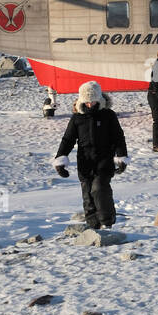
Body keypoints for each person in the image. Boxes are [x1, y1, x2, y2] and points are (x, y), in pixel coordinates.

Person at [52, 81, 128, 227]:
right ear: (82, 100)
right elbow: (68, 140)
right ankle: (93, 226)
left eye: (93, 101)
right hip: (85, 162)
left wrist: (121, 157)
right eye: (87, 102)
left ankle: (107, 222)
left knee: (99, 188)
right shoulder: (77, 118)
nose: (90, 104)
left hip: (104, 160)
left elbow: (118, 137)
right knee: (88, 195)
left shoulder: (108, 115)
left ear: (99, 99)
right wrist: (61, 160)